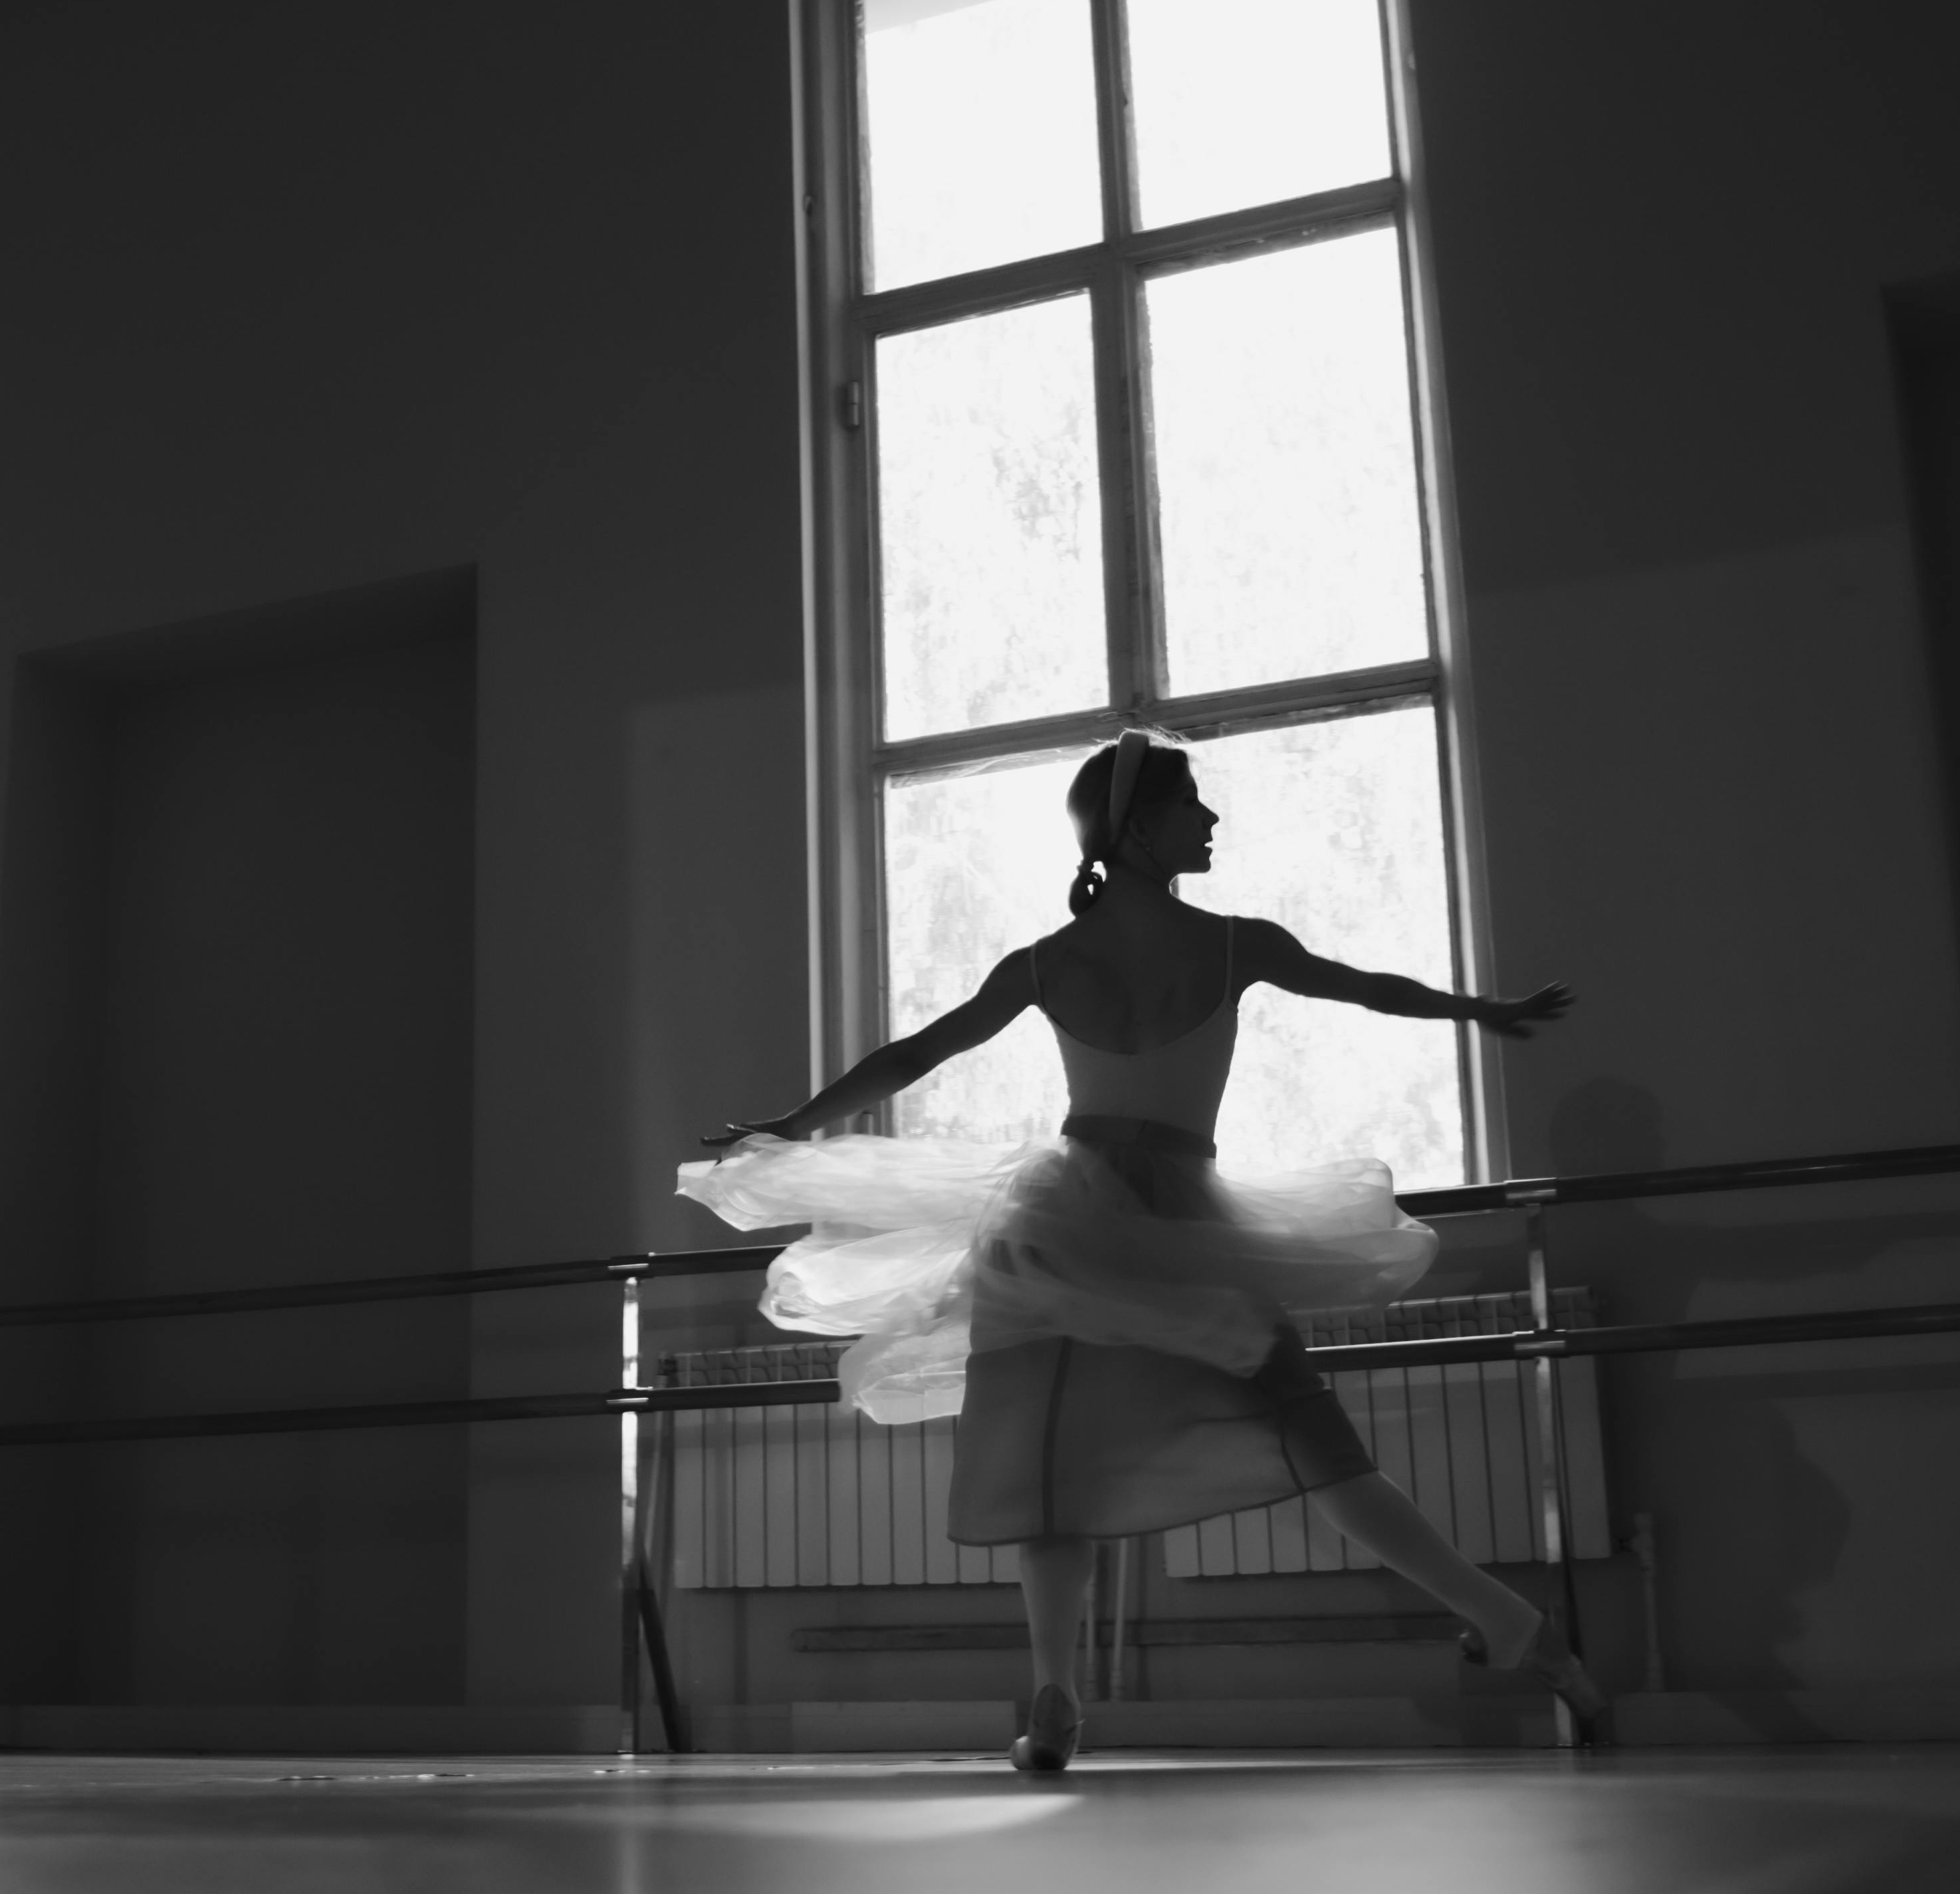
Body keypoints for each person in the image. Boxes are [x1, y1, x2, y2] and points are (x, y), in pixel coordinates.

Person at [679, 729, 1602, 1768]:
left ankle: (1055, 1694)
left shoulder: (1054, 961)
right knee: (1303, 1441)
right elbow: (1367, 988)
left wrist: (801, 1120)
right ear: (1137, 825)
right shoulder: (1231, 944)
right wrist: (1482, 1010)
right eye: (1193, 805)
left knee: (1052, 1460)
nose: (1211, 822)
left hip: (1064, 1222)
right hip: (1159, 1223)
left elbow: (915, 1053)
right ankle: (1514, 1632)